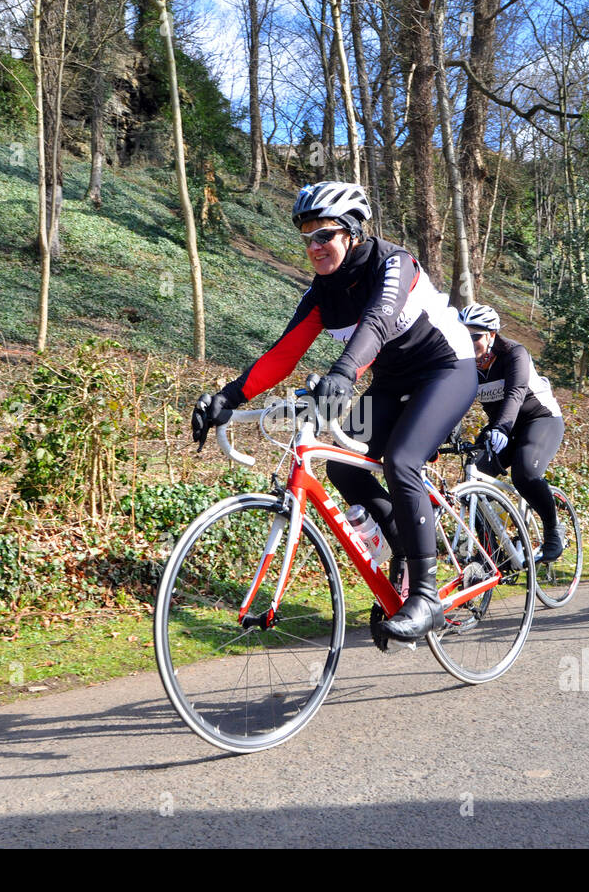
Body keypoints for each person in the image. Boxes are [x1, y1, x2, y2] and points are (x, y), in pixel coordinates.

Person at [190, 181, 476, 645]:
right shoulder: (325, 292)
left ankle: (427, 598)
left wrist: (343, 373)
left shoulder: (393, 263)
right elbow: (282, 354)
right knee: (342, 467)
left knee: (402, 461)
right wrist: (226, 399)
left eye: (324, 235)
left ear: (353, 233)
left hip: (447, 369)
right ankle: (403, 542)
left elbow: (379, 321)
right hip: (393, 382)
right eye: (307, 237)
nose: (313, 247)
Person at [458, 303, 566, 562]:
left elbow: (515, 392)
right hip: (502, 427)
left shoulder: (514, 353)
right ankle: (492, 554)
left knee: (525, 474)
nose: (469, 341)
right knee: (472, 483)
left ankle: (554, 531)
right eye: (463, 335)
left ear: (491, 335)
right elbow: (453, 399)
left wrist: (502, 427)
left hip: (539, 419)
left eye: (475, 336)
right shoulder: (463, 361)